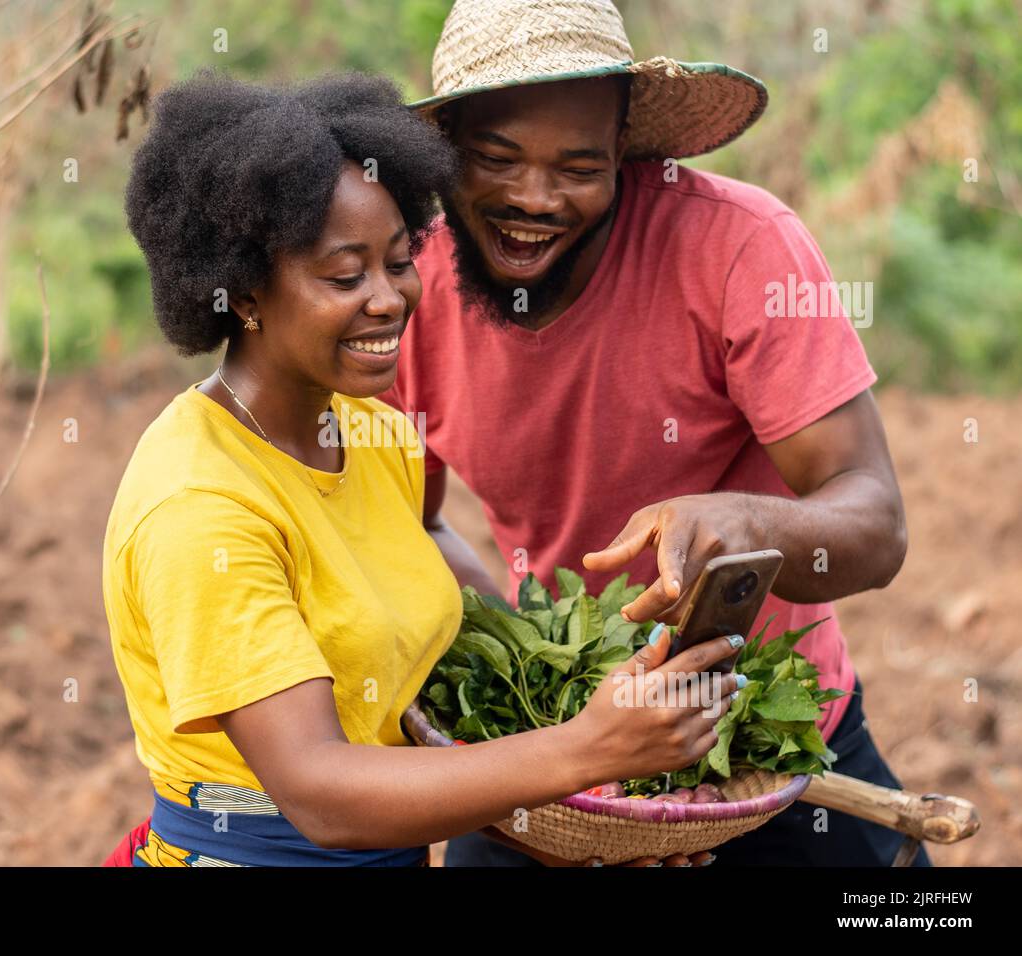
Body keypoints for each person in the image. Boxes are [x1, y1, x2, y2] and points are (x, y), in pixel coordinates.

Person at [100, 70, 740, 866]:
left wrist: (589, 804)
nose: (389, 299)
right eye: (345, 276)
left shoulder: (373, 434)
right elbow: (321, 792)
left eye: (399, 262)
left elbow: (409, 606)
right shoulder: (200, 504)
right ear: (247, 292)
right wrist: (589, 750)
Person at [382, 0, 929, 866]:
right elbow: (406, 523)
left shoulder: (742, 248)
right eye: (496, 159)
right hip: (556, 761)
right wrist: (534, 679)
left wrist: (752, 526)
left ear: (626, 149)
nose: (534, 199)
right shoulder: (404, 285)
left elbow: (876, 524)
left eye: (579, 167)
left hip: (757, 749)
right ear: (444, 144)